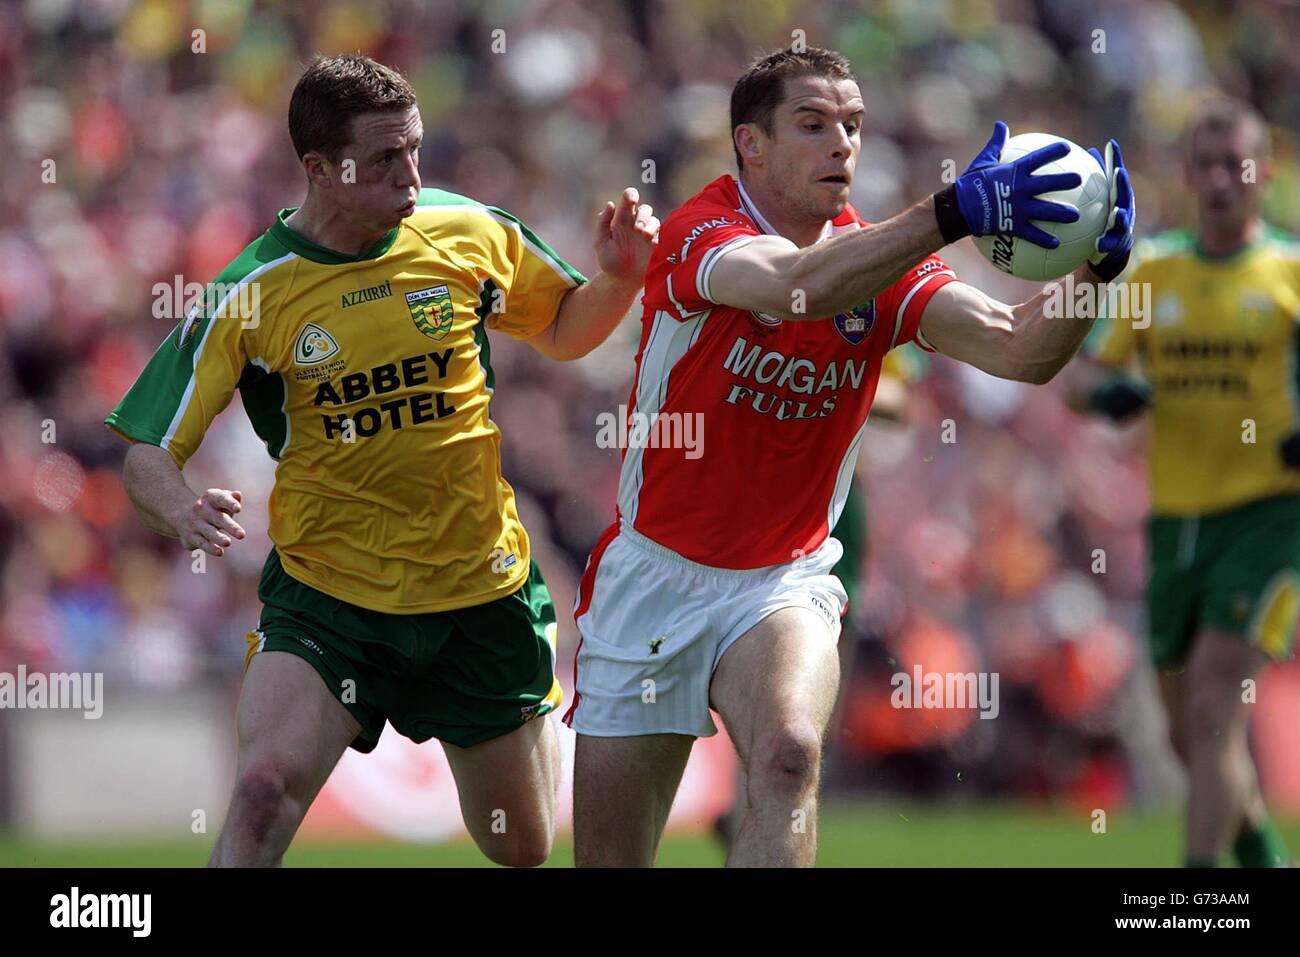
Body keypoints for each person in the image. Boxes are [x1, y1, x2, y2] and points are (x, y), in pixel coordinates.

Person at [565, 45, 1134, 867]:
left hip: (782, 578)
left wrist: (1096, 271)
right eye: (813, 124)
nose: (842, 143)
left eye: (854, 126)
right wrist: (949, 211)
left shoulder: (883, 260)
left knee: (791, 751)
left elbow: (1019, 349)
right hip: (653, 576)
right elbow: (800, 287)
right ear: (749, 145)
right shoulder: (702, 231)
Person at [105, 53, 659, 867]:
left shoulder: (467, 230)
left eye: (416, 149)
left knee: (522, 845)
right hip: (330, 599)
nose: (411, 174)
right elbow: (144, 448)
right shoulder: (252, 291)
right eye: (387, 156)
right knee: (263, 789)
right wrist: (182, 507)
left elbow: (566, 328)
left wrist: (618, 280)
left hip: (479, 592)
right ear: (319, 168)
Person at [1069, 97, 1296, 868]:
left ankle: (1197, 899)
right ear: (1188, 174)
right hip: (1174, 520)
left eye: (1236, 164)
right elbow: (1079, 373)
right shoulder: (1154, 268)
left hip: (1269, 517)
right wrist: (1105, 394)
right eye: (1206, 164)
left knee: (1209, 708)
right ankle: (1265, 860)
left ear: (1262, 172)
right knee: (1185, 731)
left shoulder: (1291, 274)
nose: (1221, 180)